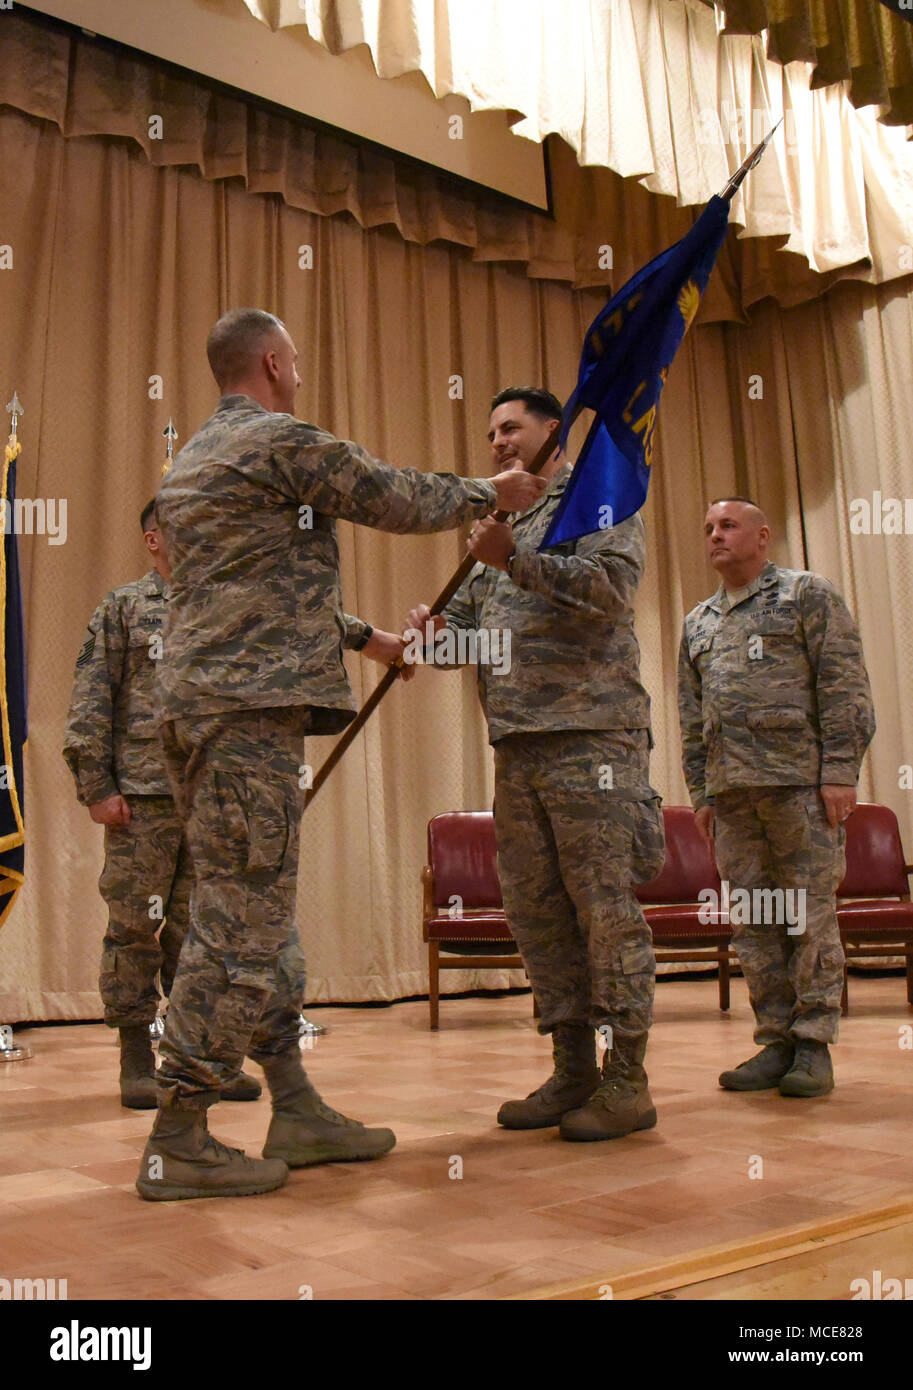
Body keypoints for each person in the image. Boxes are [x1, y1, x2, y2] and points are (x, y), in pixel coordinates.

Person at [137, 308, 546, 1201]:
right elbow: (385, 492)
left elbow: (260, 595)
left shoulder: (193, 464)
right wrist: (491, 493)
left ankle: (296, 1104)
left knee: (253, 912)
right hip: (244, 711)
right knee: (238, 919)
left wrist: (367, 644)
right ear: (275, 362)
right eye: (294, 360)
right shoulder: (276, 438)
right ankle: (179, 1134)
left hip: (208, 706)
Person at [406, 387, 665, 1143]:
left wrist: (513, 558)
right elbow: (470, 638)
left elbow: (609, 593)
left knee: (603, 912)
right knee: (538, 913)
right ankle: (571, 1067)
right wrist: (429, 635)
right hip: (517, 746)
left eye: (510, 427)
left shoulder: (598, 505)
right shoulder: (499, 525)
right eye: (489, 432)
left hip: (594, 741)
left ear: (553, 429)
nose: (496, 442)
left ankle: (627, 1081)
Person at [63, 503, 261, 1107]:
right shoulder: (122, 608)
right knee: (134, 930)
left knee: (203, 934)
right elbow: (91, 700)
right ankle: (134, 1060)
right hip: (143, 800)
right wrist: (96, 786)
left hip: (210, 797)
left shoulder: (222, 606)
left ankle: (200, 1060)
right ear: (154, 537)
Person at [678, 498, 875, 1098]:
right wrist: (701, 792)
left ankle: (814, 1044)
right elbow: (692, 715)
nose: (715, 534)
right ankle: (775, 1041)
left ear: (762, 536)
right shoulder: (698, 622)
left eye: (728, 526)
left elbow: (844, 683)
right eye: (708, 527)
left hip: (800, 785)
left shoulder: (804, 595)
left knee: (807, 913)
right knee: (756, 920)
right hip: (733, 795)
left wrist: (840, 769)